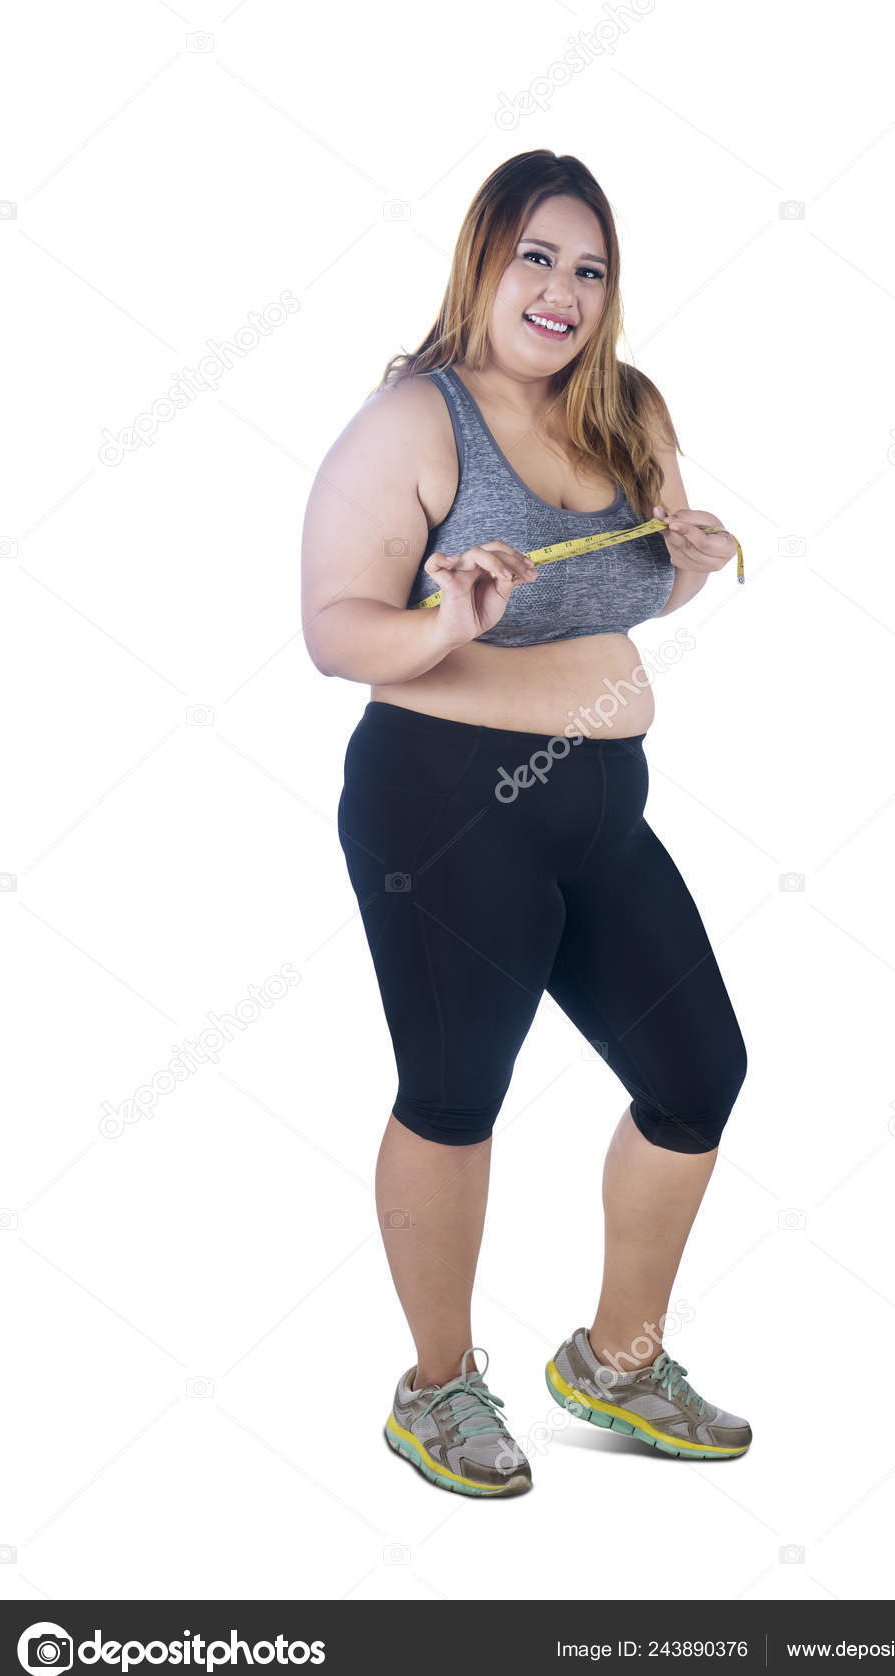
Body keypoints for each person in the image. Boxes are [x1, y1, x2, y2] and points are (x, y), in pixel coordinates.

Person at [300, 149, 751, 1499]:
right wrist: (445, 621)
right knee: (456, 1095)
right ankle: (438, 1389)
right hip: (445, 804)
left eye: (589, 268)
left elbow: (624, 596)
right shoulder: (415, 420)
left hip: (602, 806)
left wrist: (682, 570)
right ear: (484, 264)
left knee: (697, 1074)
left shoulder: (628, 410)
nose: (562, 290)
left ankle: (617, 1362)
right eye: (535, 258)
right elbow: (335, 631)